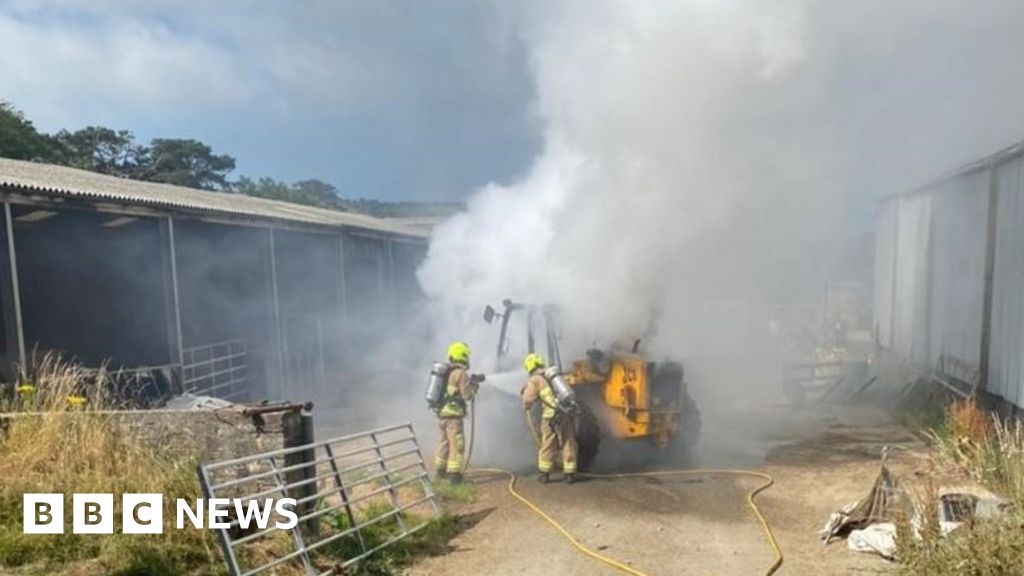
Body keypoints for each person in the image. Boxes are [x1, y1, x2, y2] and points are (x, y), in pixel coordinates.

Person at [521, 352, 578, 484]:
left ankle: (544, 474)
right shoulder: (555, 375)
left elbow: (528, 400)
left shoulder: (535, 380)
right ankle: (569, 474)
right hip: (565, 414)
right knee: (569, 441)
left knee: (548, 443)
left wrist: (525, 398)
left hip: (550, 417)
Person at [433, 341, 477, 484]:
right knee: (457, 445)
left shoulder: (446, 372)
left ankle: (440, 472)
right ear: (462, 356)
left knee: (444, 443)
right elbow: (466, 395)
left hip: (442, 415)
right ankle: (454, 477)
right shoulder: (461, 373)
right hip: (453, 417)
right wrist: (473, 388)